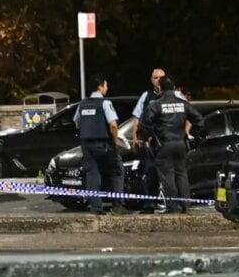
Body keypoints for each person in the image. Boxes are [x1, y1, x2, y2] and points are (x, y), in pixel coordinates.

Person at [139, 76, 204, 214]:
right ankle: (185, 206)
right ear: (174, 88)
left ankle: (172, 207)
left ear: (160, 88)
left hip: (164, 144)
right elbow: (199, 119)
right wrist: (194, 136)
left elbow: (144, 124)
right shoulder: (183, 103)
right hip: (180, 143)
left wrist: (151, 137)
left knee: (167, 176)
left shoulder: (155, 105)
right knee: (181, 174)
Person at [130, 68, 184, 213]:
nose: (158, 81)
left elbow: (187, 114)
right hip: (152, 143)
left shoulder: (176, 96)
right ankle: (150, 205)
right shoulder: (146, 96)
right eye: (155, 78)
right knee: (151, 173)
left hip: (168, 142)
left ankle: (177, 205)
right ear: (151, 80)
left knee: (172, 175)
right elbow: (137, 118)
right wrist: (136, 138)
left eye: (161, 78)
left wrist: (184, 132)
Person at [73, 76, 125, 214]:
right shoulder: (105, 103)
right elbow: (113, 125)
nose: (107, 88)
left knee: (92, 174)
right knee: (117, 170)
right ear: (100, 87)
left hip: (86, 145)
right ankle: (117, 206)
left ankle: (96, 208)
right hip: (103, 144)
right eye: (106, 86)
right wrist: (114, 141)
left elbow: (77, 122)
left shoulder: (82, 104)